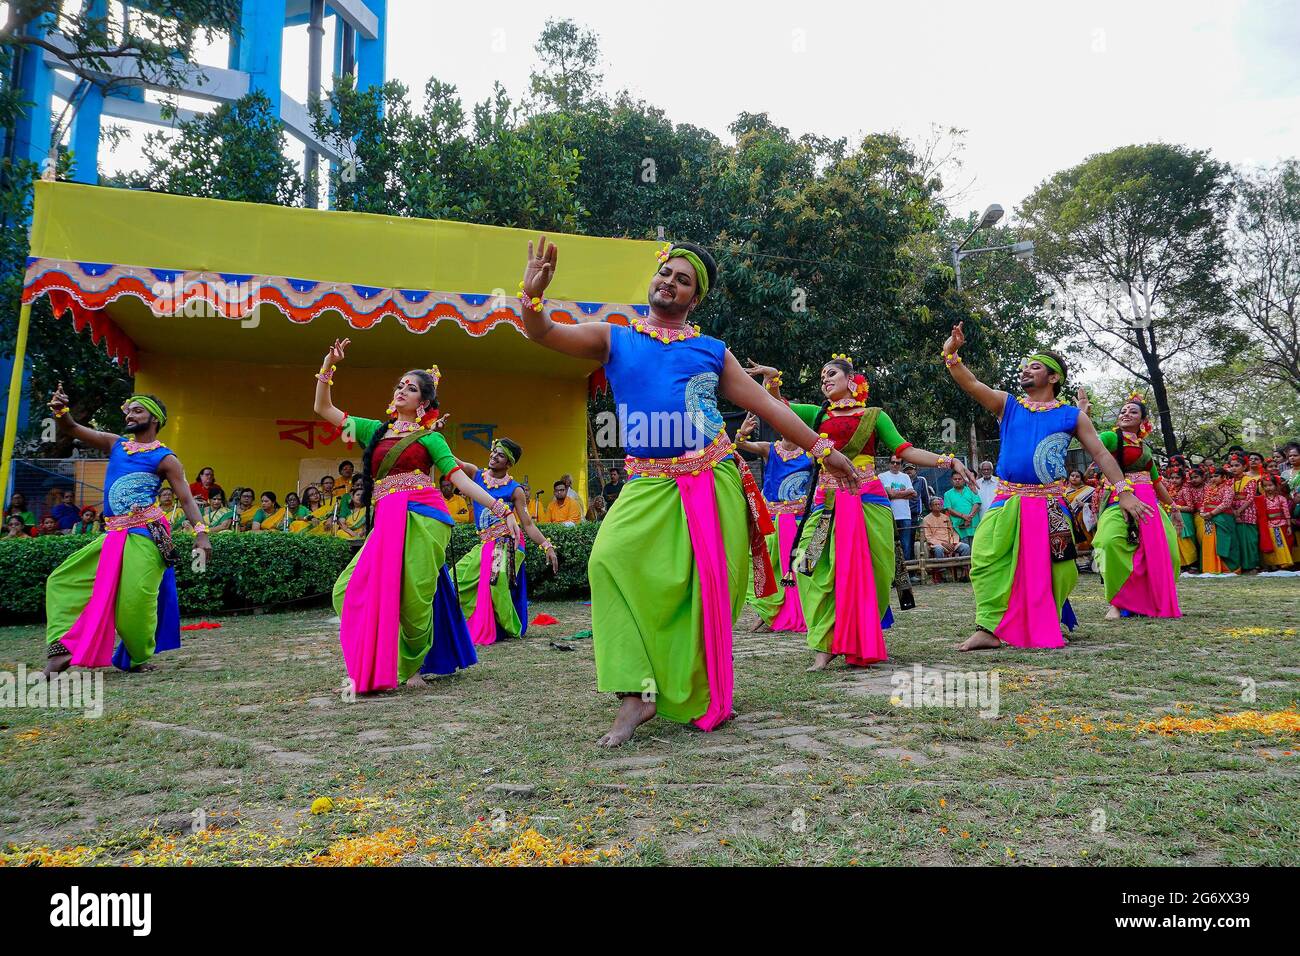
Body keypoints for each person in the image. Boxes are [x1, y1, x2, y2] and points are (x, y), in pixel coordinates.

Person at [517, 235, 857, 745]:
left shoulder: (711, 351)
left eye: (683, 281)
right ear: (654, 279)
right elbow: (543, 333)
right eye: (666, 274)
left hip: (711, 475)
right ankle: (637, 691)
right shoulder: (615, 338)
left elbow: (769, 408)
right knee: (606, 560)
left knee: (703, 590)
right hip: (648, 481)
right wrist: (532, 296)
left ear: (694, 299)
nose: (670, 283)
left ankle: (683, 690)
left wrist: (822, 449)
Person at [941, 324, 1150, 651]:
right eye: (1026, 367)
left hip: (1051, 503)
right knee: (985, 559)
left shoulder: (1071, 416)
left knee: (1061, 568)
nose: (1026, 370)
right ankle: (988, 629)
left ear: (1053, 378)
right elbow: (971, 383)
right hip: (1007, 500)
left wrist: (1124, 491)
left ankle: (1048, 618)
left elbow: (1100, 453)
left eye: (1035, 366)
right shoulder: (1007, 405)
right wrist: (951, 353)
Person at [313, 339, 496, 692]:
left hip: (426, 517)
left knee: (414, 601)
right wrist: (328, 364)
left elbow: (458, 479)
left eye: (410, 388)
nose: (401, 390)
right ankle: (379, 661)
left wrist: (498, 507)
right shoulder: (373, 432)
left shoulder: (431, 440)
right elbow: (324, 408)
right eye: (399, 385)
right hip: (387, 521)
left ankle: (410, 669)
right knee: (347, 588)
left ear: (422, 402)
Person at [770, 357, 971, 671]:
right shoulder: (816, 413)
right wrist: (772, 380)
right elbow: (776, 408)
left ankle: (860, 639)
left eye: (831, 373)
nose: (824, 379)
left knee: (875, 571)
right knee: (806, 564)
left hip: (869, 500)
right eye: (821, 375)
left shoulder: (875, 416)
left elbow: (905, 451)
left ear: (852, 379)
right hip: (827, 502)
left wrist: (947, 461)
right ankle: (825, 642)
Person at [43, 387, 211, 675]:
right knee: (63, 580)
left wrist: (201, 534)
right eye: (129, 410)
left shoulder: (166, 458)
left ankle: (136, 657)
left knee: (134, 604)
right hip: (112, 536)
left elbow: (185, 498)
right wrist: (60, 411)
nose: (130, 415)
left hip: (147, 534)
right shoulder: (114, 443)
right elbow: (71, 427)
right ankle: (63, 648)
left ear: (154, 419)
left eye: (138, 411)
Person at [453, 439, 559, 646]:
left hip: (507, 544)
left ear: (508, 463)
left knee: (497, 579)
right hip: (484, 544)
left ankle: (509, 628)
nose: (493, 456)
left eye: (500, 455)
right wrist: (431, 433)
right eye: (494, 452)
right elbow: (451, 460)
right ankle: (462, 623)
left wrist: (547, 546)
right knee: (456, 579)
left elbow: (527, 525)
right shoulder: (475, 474)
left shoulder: (515, 490)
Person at [1090, 394, 1181, 620]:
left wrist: (1173, 506)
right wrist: (1084, 415)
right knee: (1109, 543)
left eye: (1133, 411)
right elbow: (1092, 444)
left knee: (1167, 551)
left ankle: (1154, 599)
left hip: (1148, 502)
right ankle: (1117, 603)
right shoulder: (1111, 438)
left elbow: (1156, 481)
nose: (1125, 413)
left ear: (1143, 420)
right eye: (1123, 410)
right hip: (1119, 498)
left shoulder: (1144, 447)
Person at [735, 410, 812, 633]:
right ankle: (767, 611)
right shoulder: (770, 449)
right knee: (765, 565)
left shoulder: (809, 454)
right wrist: (743, 433)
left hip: (797, 520)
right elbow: (739, 444)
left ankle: (792, 612)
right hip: (770, 520)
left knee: (796, 566)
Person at [921, 496, 971, 583]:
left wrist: (953, 542)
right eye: (935, 504)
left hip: (950, 543)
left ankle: (964, 573)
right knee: (938, 549)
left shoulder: (946, 517)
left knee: (965, 547)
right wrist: (942, 543)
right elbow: (928, 536)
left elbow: (953, 532)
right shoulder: (926, 519)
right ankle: (942, 574)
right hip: (937, 544)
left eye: (939, 504)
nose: (937, 506)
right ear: (931, 507)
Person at [1226, 452, 1261, 573]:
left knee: (1250, 540)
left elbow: (1250, 498)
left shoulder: (1250, 480)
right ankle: (1241, 566)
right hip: (1232, 513)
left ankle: (1252, 566)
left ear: (1244, 467)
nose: (1234, 468)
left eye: (1237, 465)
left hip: (1247, 513)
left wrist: (1238, 511)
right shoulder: (1229, 482)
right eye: (1232, 466)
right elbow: (1227, 498)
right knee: (1238, 541)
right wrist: (1233, 512)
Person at [879, 456, 917, 561]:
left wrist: (894, 495)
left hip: (905, 515)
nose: (895, 465)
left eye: (898, 463)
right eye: (893, 462)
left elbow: (913, 494)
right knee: (889, 544)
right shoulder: (882, 476)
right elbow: (890, 494)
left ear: (901, 465)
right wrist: (905, 494)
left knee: (906, 545)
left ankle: (908, 573)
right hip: (889, 515)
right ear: (889, 463)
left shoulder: (905, 476)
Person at [1261, 475, 1295, 569]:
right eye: (1265, 486)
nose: (1268, 488)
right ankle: (1272, 563)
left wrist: (1288, 526)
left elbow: (1286, 512)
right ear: (1262, 487)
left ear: (1276, 485)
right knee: (1272, 544)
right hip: (1269, 525)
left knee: (1280, 544)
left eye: (1270, 485)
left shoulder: (1281, 498)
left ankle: (1284, 562)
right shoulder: (1262, 499)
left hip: (1281, 524)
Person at [943, 471, 982, 545]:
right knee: (964, 550)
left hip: (973, 525)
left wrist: (969, 517)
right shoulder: (947, 494)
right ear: (951, 480)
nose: (957, 481)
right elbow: (949, 509)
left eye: (960, 479)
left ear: (964, 480)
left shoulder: (971, 489)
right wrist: (964, 516)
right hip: (959, 527)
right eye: (955, 479)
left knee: (975, 549)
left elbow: (977, 503)